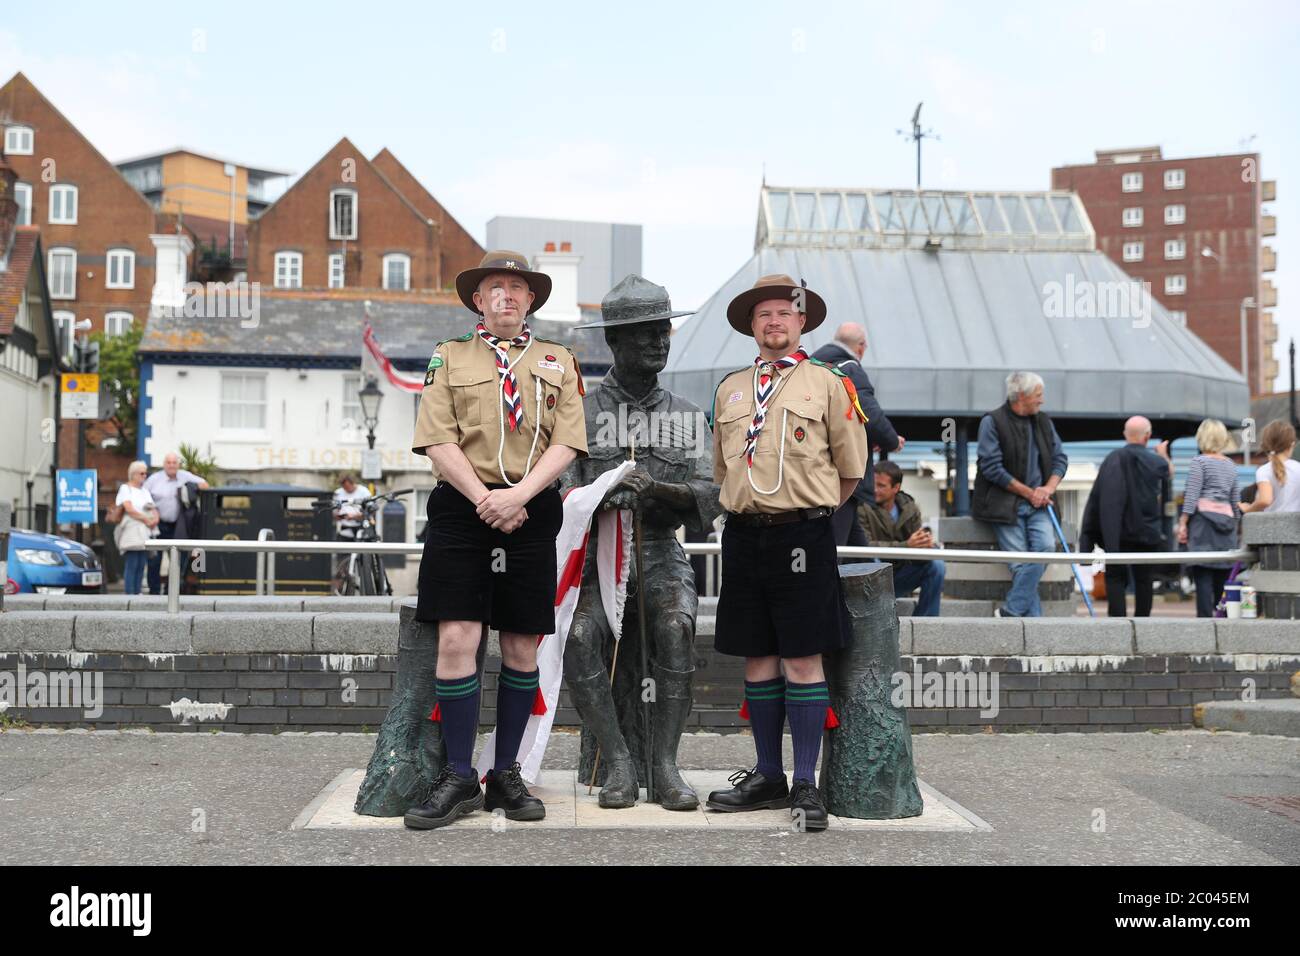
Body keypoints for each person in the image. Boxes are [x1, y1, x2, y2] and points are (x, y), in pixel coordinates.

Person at [404, 250, 588, 831]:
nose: (506, 296)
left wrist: (519, 497)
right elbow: (436, 438)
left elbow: (568, 444)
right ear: (477, 300)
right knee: (457, 637)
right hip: (463, 510)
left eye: (517, 287)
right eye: (494, 288)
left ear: (531, 299)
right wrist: (485, 498)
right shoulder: (448, 357)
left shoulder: (560, 361)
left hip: (530, 512)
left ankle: (504, 773)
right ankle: (459, 774)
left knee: (522, 646)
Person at [706, 274, 868, 831]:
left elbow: (850, 472)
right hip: (745, 534)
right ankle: (768, 774)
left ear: (802, 322)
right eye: (763, 315)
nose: (774, 322)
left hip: (804, 534)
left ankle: (805, 784)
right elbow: (722, 470)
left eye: (785, 313)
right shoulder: (729, 389)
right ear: (752, 326)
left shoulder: (828, 384)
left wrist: (808, 512)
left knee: (803, 655)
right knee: (757, 654)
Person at [561, 274, 720, 810]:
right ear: (615, 342)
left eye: (664, 332)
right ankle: (620, 762)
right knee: (581, 638)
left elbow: (708, 494)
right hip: (599, 558)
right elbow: (563, 492)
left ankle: (665, 764)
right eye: (646, 333)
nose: (659, 342)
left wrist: (659, 490)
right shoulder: (580, 414)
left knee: (675, 626)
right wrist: (604, 497)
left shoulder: (687, 414)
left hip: (658, 553)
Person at [973, 371, 1069, 618]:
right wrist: (1030, 493)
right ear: (1022, 396)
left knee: (1045, 550)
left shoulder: (1044, 422)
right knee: (1020, 564)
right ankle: (1033, 629)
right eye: (1038, 395)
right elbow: (992, 468)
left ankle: (1011, 612)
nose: (1042, 400)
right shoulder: (992, 422)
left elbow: (1060, 458)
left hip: (1039, 504)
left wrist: (1048, 488)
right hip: (1003, 505)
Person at [811, 322, 903, 547]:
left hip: (814, 473)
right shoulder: (849, 368)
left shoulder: (811, 367)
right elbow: (867, 412)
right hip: (842, 477)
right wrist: (892, 441)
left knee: (859, 554)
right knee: (834, 554)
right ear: (861, 347)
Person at [1079, 416, 1173, 617]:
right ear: (1147, 436)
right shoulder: (1155, 461)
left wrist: (1088, 538)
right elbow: (1167, 473)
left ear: (1125, 435)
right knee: (1144, 579)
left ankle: (1117, 627)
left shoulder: (1112, 459)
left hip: (1116, 533)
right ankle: (1142, 624)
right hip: (1146, 532)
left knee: (1115, 578)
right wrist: (1163, 454)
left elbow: (1096, 499)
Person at [858, 460, 946, 616]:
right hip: (870, 581)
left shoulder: (910, 509)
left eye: (881, 486)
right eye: (873, 483)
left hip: (900, 576)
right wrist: (907, 546)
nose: (874, 489)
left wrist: (925, 545)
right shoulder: (861, 507)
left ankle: (925, 621)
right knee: (874, 561)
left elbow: (916, 547)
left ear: (896, 488)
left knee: (937, 565)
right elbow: (865, 546)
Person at [1177, 419, 1241, 617]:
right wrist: (1235, 524)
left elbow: (1192, 495)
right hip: (1226, 526)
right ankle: (1223, 621)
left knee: (1203, 575)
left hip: (1203, 525)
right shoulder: (1231, 465)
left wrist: (1183, 522)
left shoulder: (1200, 462)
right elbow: (1235, 499)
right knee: (1222, 578)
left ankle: (1205, 625)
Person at [142, 452, 210, 595]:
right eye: (169, 462)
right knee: (155, 561)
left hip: (179, 526)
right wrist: (152, 511)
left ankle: (171, 593)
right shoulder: (154, 479)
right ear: (164, 464)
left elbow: (205, 485)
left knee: (178, 561)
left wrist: (191, 490)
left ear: (178, 465)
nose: (171, 465)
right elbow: (143, 497)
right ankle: (154, 594)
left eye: (174, 463)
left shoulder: (185, 475)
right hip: (158, 525)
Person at [115, 461, 159, 595]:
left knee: (141, 564)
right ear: (133, 474)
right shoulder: (125, 488)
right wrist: (146, 519)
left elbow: (153, 508)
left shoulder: (145, 491)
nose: (145, 476)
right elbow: (129, 508)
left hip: (145, 532)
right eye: (142, 473)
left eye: (146, 473)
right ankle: (130, 595)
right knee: (132, 564)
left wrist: (155, 520)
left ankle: (137, 593)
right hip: (132, 532)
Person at [1240, 420, 1300, 513]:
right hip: (1295, 526)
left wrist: (1247, 509)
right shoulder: (1298, 468)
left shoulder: (1264, 470)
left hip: (1271, 525)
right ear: (1291, 444)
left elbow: (1265, 500)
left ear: (1265, 444)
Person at [332, 474, 370, 539]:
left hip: (361, 528)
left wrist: (355, 516)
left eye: (347, 486)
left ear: (353, 483)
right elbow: (334, 511)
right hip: (344, 528)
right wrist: (339, 515)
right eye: (344, 487)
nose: (346, 489)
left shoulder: (364, 492)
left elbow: (369, 511)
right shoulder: (338, 493)